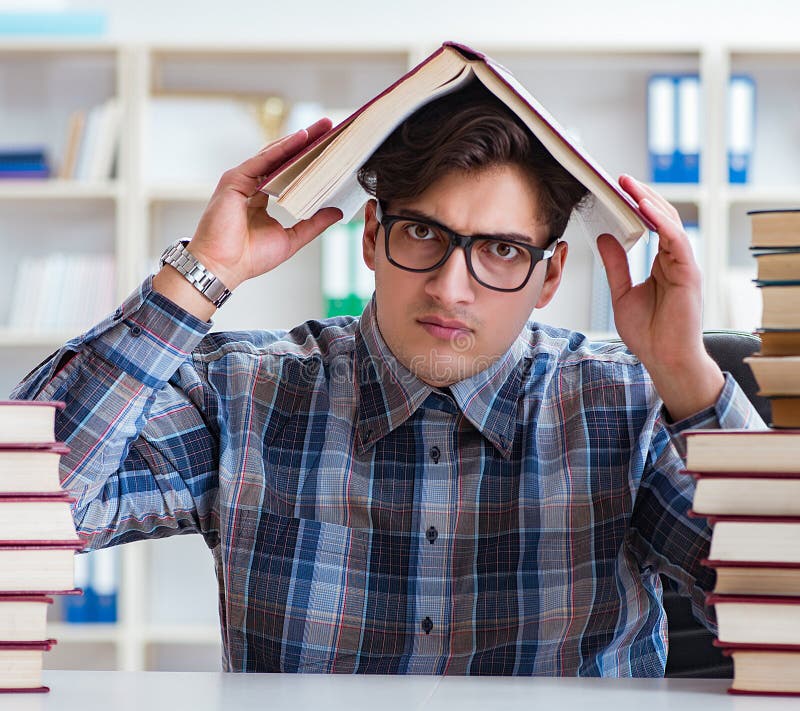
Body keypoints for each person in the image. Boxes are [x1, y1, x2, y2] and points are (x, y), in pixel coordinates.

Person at [13, 82, 763, 676]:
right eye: (423, 233)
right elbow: (24, 513)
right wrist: (198, 278)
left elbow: (776, 609)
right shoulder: (245, 392)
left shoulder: (624, 404)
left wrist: (687, 377)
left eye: (500, 249)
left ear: (550, 275)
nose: (449, 287)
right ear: (372, 236)